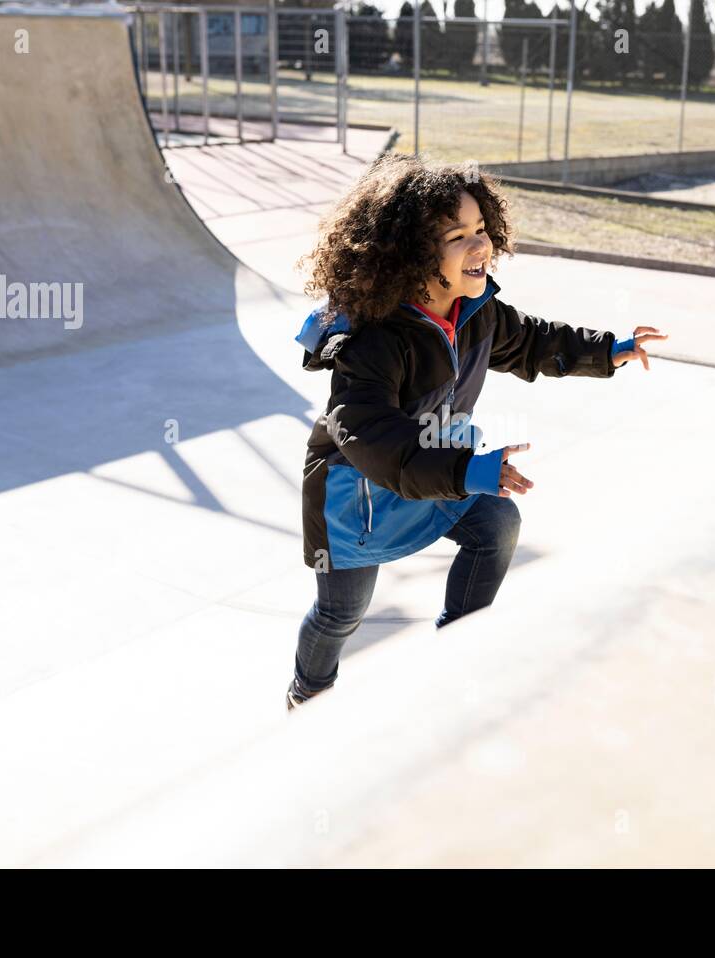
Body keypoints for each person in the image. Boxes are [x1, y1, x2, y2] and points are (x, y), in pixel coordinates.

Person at [286, 152, 667, 710]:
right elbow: (371, 437)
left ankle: (457, 651)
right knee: (343, 612)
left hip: (438, 470)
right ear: (414, 256)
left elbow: (535, 341)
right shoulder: (375, 340)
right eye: (457, 236)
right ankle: (308, 689)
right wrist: (467, 470)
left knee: (496, 524)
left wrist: (607, 351)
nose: (479, 246)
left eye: (482, 230)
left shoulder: (477, 313)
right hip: (357, 494)